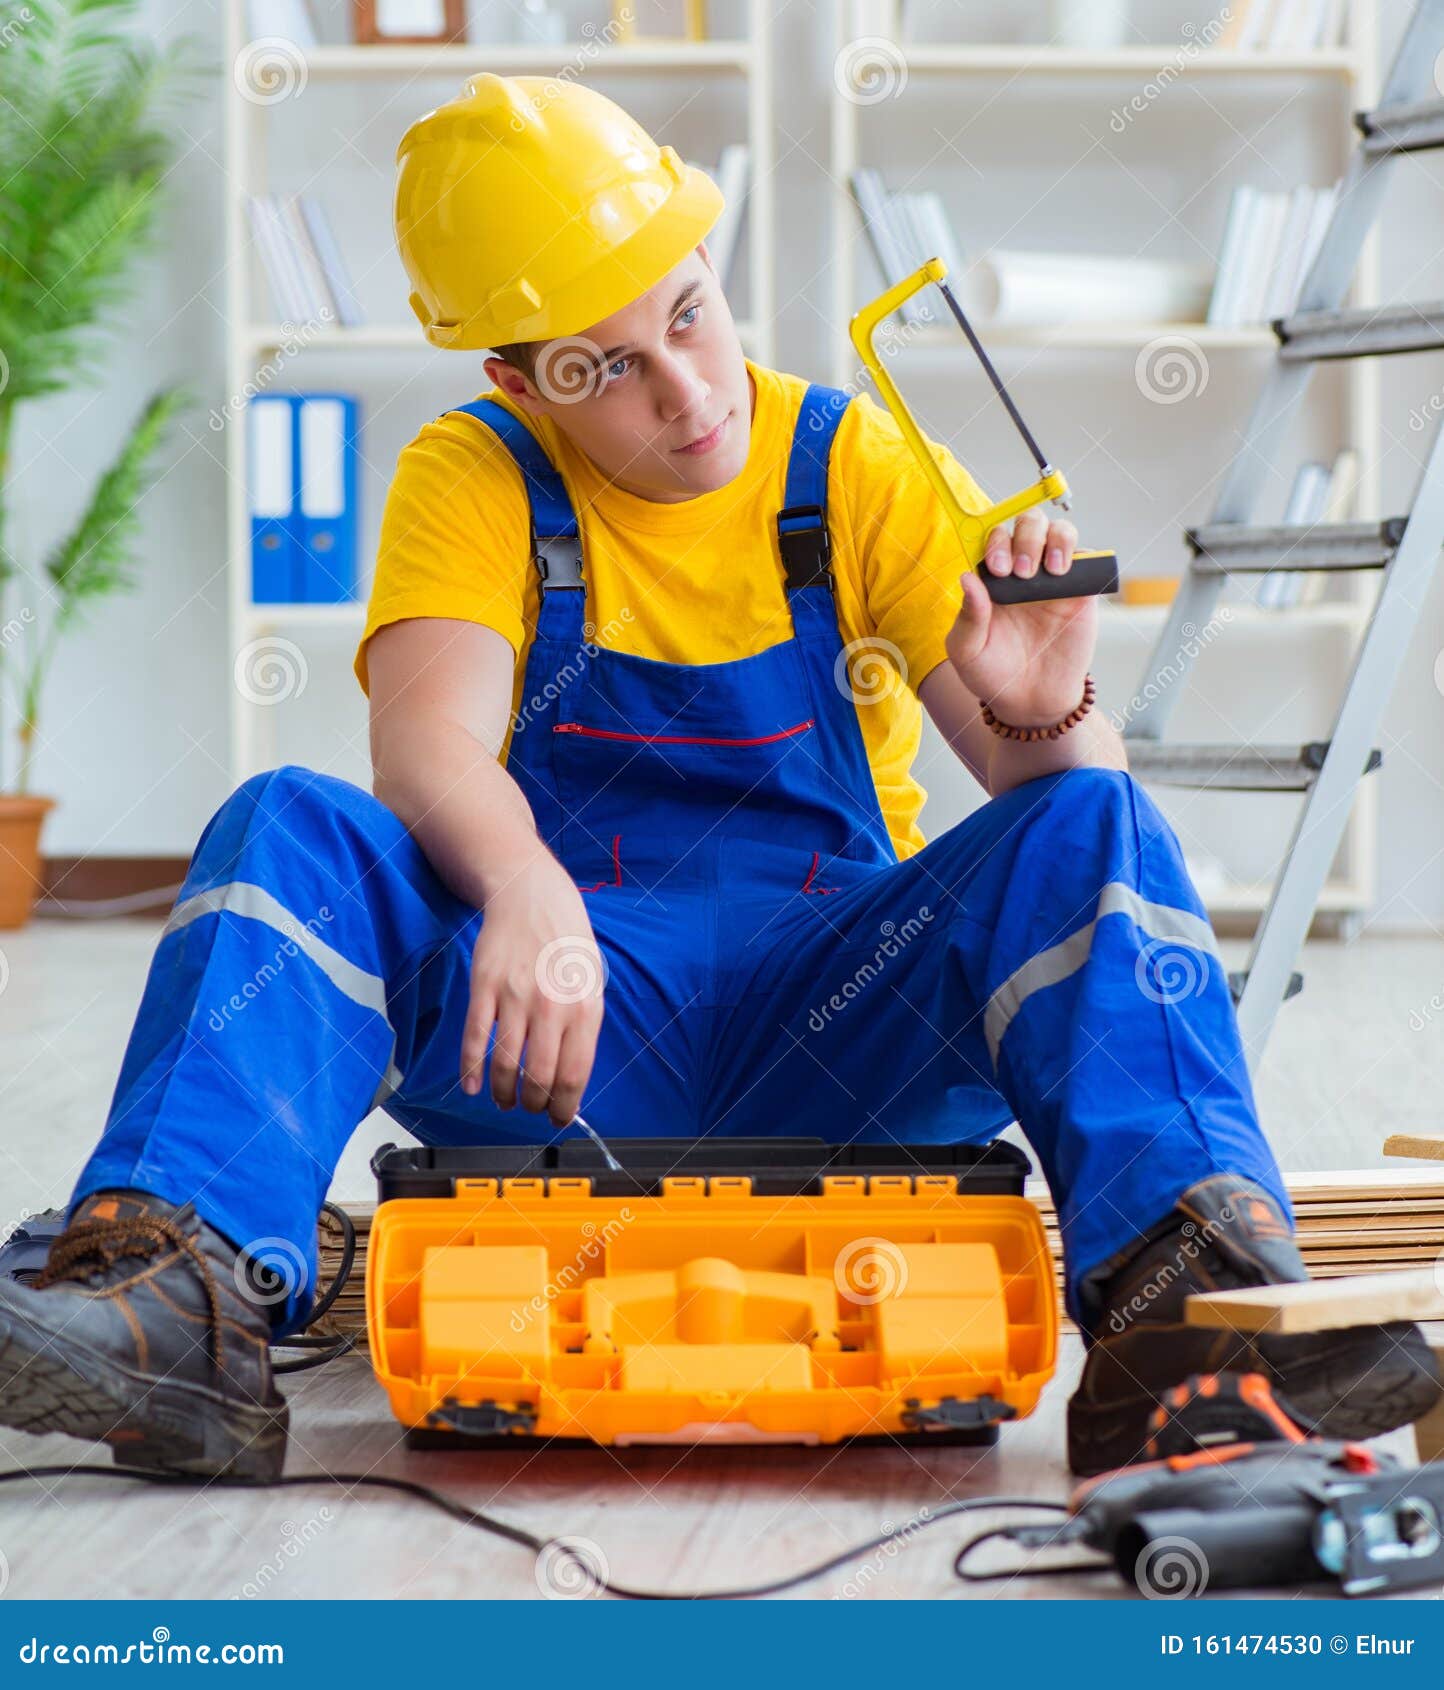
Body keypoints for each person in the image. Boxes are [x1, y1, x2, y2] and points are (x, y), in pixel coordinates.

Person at [0, 75, 1435, 1484]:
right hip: (559, 1039)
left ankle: (1195, 1321)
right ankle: (172, 1303)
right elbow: (426, 745)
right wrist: (526, 887)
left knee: (1099, 813)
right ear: (514, 376)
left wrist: (1047, 705)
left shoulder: (849, 461)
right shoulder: (474, 472)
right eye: (604, 364)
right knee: (285, 824)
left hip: (841, 1022)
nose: (686, 392)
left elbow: (1056, 807)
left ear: (712, 262)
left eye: (687, 313)